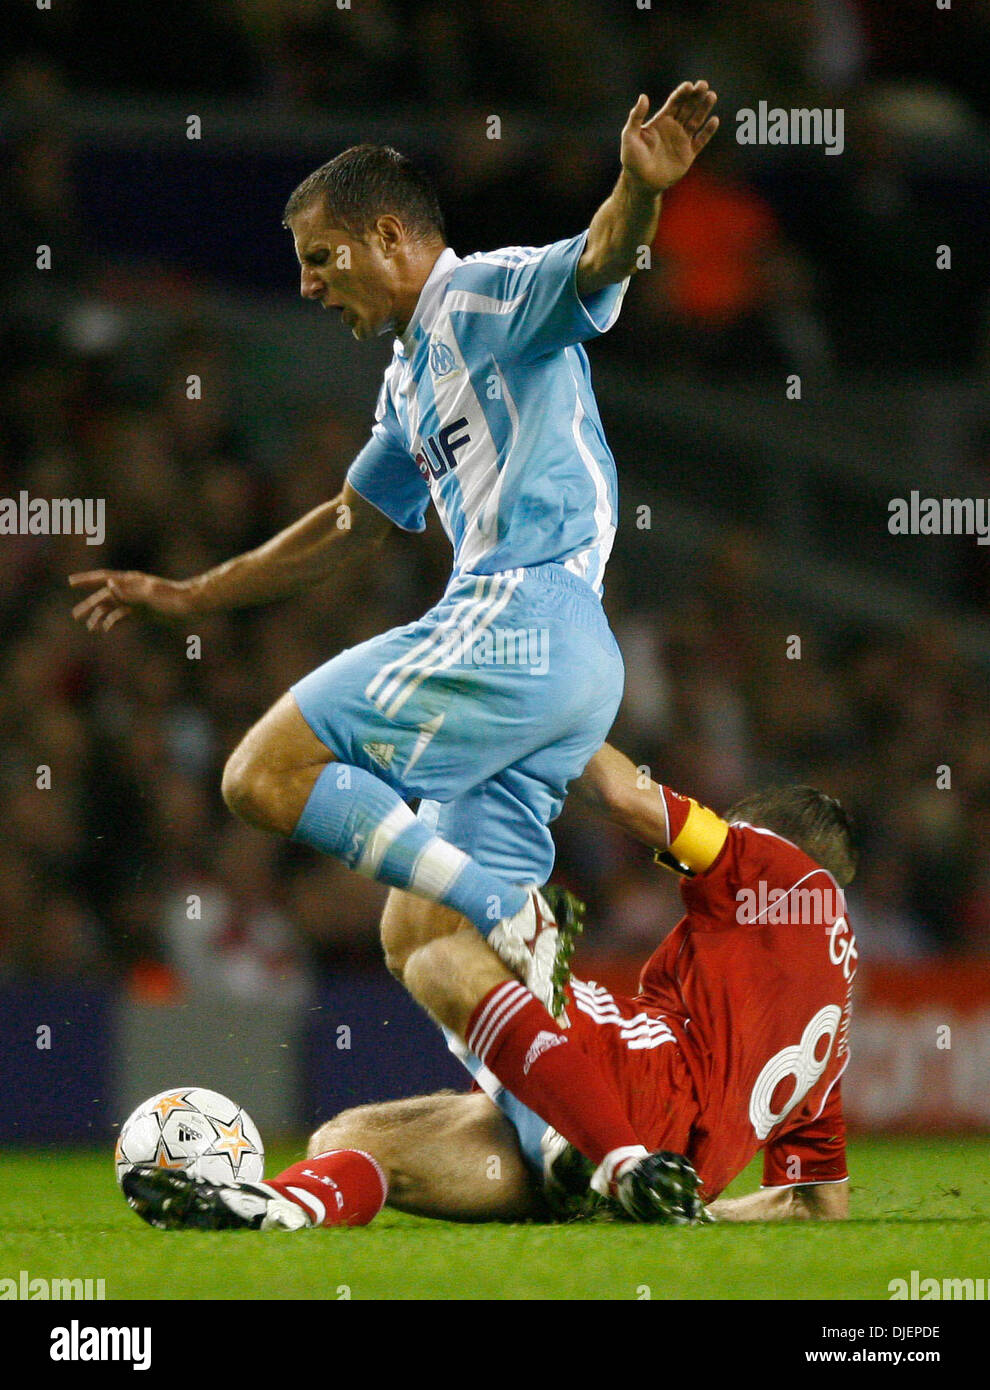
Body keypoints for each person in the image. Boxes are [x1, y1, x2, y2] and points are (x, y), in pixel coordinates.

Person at [71, 84, 722, 1212]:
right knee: (420, 927)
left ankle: (514, 913)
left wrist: (637, 190)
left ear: (388, 235)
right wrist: (194, 592)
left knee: (262, 773)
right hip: (565, 669)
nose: (310, 285)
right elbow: (347, 524)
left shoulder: (478, 295)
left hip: (524, 616)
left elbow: (596, 268)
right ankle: (599, 1156)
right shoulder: (413, 372)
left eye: (323, 258)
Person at [123, 742, 858, 1231]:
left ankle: (603, 1145)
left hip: (641, 1083)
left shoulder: (769, 860)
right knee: (350, 1141)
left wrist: (541, 704)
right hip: (668, 1169)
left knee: (431, 947)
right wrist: (696, 1206)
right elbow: (819, 1204)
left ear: (762, 833)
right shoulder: (832, 1020)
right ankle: (280, 1207)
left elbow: (623, 795)